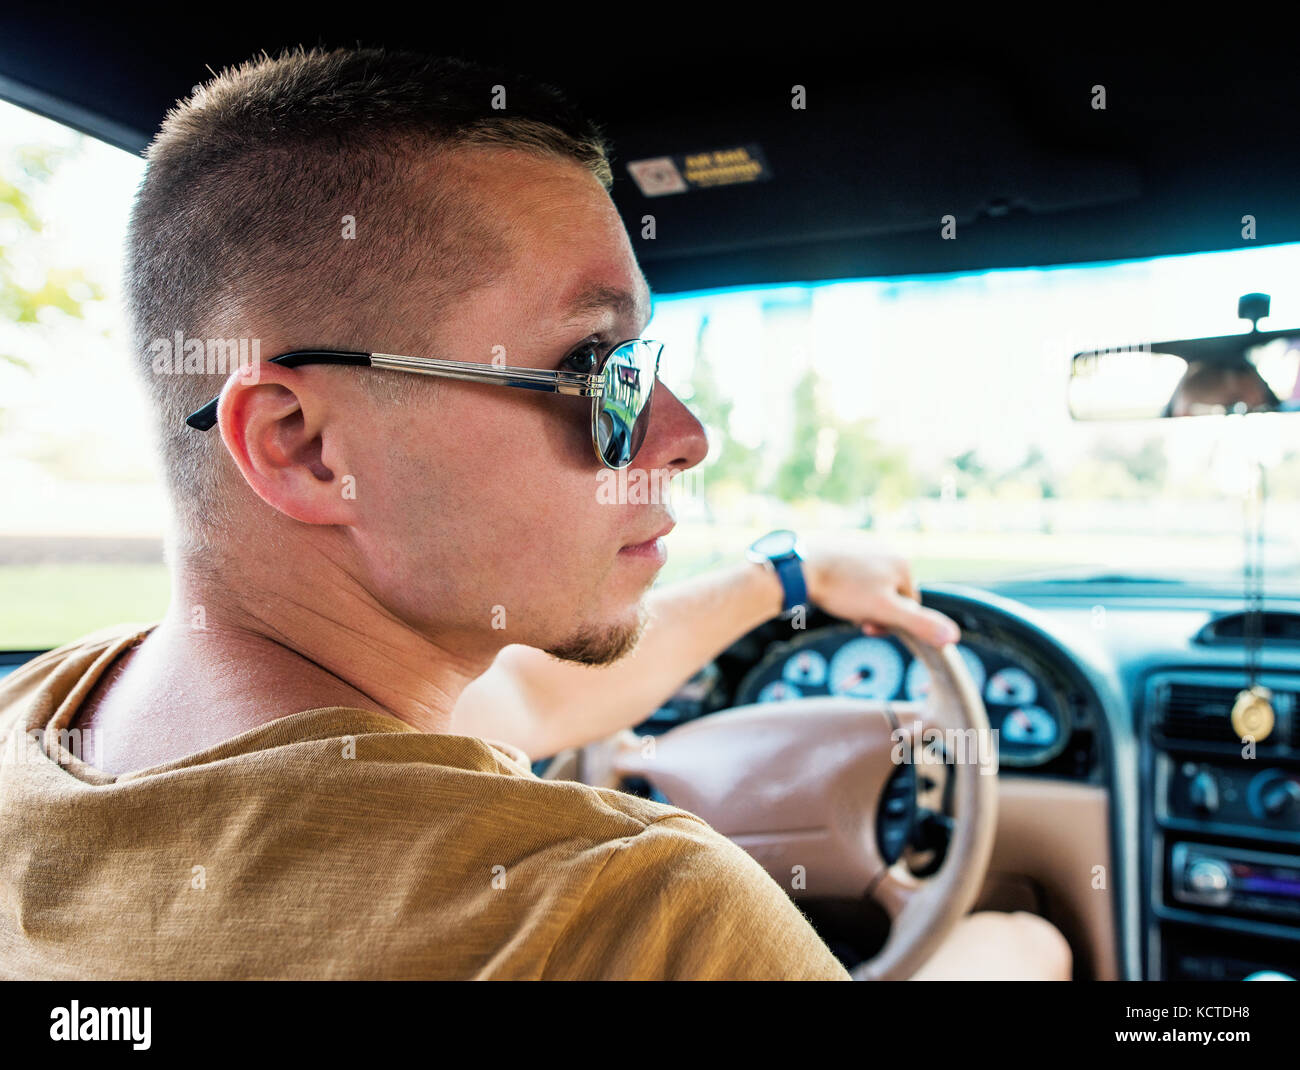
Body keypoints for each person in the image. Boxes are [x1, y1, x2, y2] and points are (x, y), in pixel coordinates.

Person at [0, 46, 1070, 981]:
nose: (685, 431)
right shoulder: (629, 910)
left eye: (644, 360)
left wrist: (785, 580)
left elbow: (510, 707)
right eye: (594, 366)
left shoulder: (46, 718)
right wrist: (1015, 943)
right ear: (304, 445)